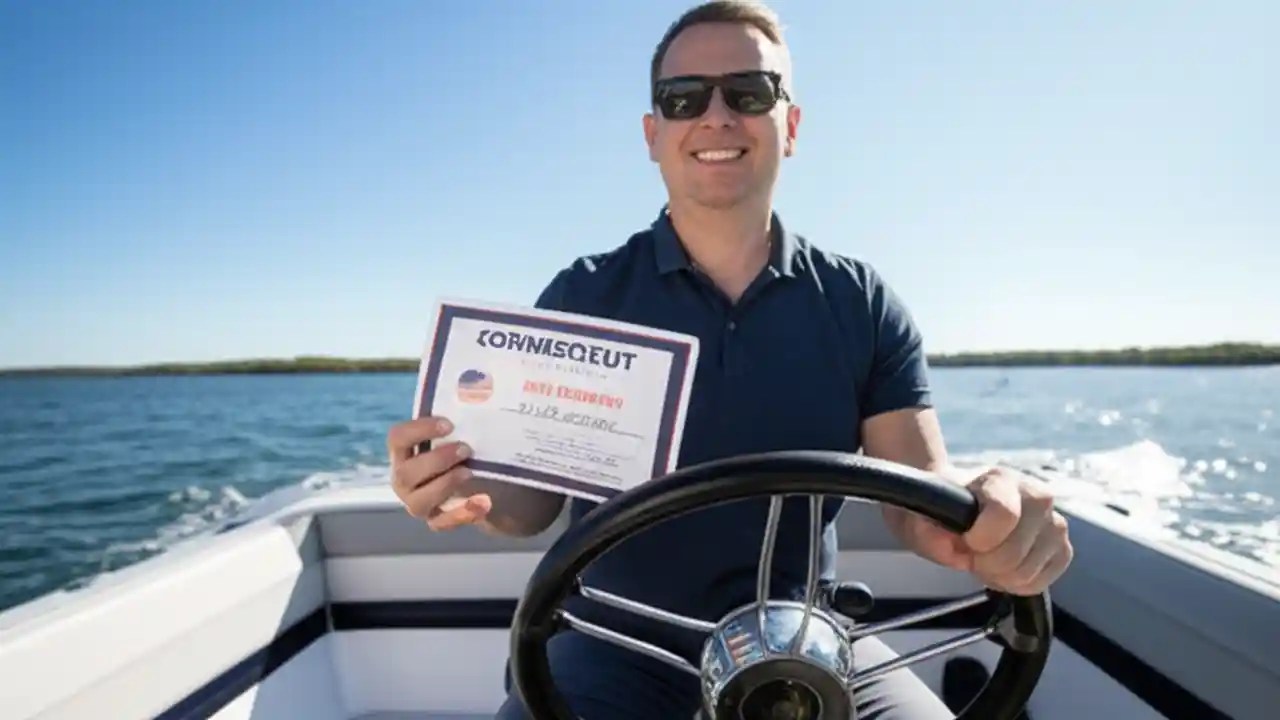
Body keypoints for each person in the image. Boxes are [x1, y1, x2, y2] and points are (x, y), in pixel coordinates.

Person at [386, 2, 1074, 718]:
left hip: (806, 635)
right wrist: (461, 487)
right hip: (608, 641)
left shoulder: (860, 301)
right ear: (654, 135)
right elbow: (530, 509)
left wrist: (990, 518)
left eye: (749, 93)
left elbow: (917, 496)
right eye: (683, 99)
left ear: (791, 125)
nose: (715, 116)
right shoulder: (580, 295)